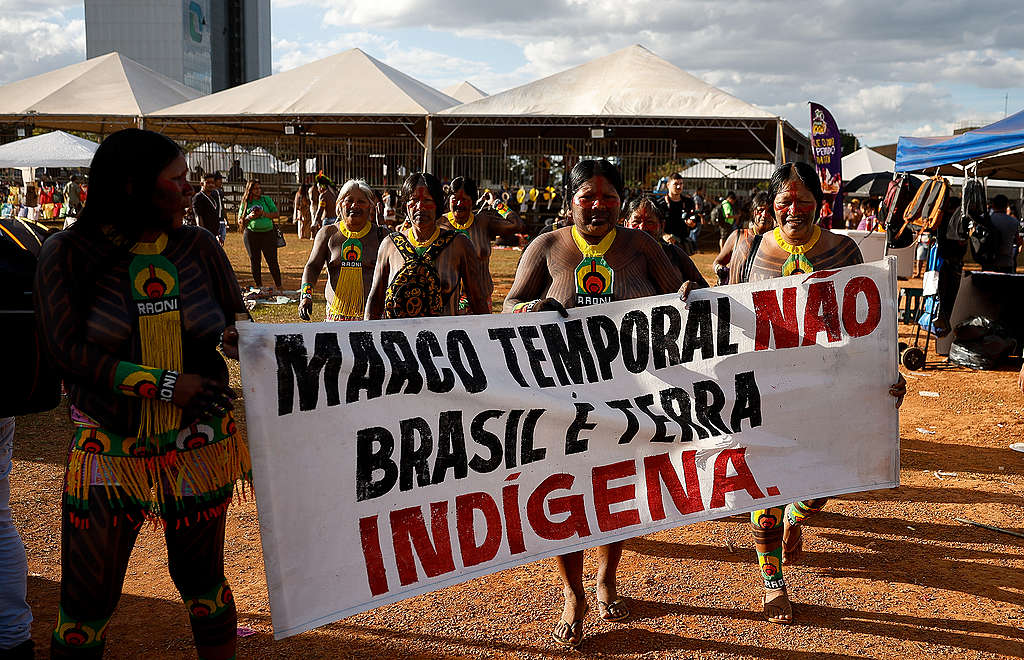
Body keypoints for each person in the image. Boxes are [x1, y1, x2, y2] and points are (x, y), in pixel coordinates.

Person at [34, 128, 250, 659]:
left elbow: (238, 318)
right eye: (177, 180)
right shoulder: (67, 254)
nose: (189, 188)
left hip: (197, 445)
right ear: (132, 187)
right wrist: (166, 384)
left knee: (203, 582)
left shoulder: (199, 247)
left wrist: (240, 336)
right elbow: (67, 353)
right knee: (87, 601)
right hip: (108, 449)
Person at [684, 161, 906, 626]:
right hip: (766, 387)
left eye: (804, 202)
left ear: (819, 205)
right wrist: (693, 299)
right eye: (784, 201)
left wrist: (888, 371)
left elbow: (872, 319)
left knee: (825, 481)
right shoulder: (752, 251)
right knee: (766, 483)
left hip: (829, 386)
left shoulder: (843, 250)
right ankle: (772, 582)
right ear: (771, 205)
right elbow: (732, 316)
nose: (794, 210)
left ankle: (796, 518)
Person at [504, 160, 685, 648]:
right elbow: (507, 307)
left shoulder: (642, 246)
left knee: (616, 493)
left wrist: (689, 295)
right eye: (587, 195)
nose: (598, 205)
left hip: (632, 399)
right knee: (567, 494)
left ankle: (606, 576)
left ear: (621, 202)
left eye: (608, 197)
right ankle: (572, 592)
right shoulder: (546, 247)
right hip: (563, 402)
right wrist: (530, 309)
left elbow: (687, 297)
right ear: (570, 200)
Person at [366, 172, 488, 319]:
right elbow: (375, 301)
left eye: (427, 200)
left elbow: (477, 301)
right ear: (405, 206)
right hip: (398, 339)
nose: (420, 207)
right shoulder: (389, 245)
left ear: (438, 205)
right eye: (414, 200)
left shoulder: (459, 245)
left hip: (443, 338)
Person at [299, 179, 389, 322]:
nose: (355, 205)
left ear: (370, 207)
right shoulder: (327, 234)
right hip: (335, 319)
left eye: (361, 202)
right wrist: (306, 295)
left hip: (372, 319)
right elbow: (312, 266)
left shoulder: (382, 237)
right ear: (340, 204)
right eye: (349, 200)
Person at [439, 176, 524, 314]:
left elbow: (516, 224)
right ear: (448, 200)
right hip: (448, 305)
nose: (459, 204)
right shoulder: (439, 224)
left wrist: (496, 203)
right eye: (454, 199)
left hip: (481, 303)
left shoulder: (483, 222)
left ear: (473, 202)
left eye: (465, 200)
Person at [624, 193, 708, 287]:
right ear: (626, 225)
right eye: (636, 222)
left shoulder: (675, 254)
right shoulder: (615, 258)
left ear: (662, 226)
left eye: (650, 222)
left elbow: (705, 291)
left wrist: (694, 289)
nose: (642, 228)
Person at [712, 190, 774, 285]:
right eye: (760, 210)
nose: (764, 215)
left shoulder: (778, 240)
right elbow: (717, 262)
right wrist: (721, 270)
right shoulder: (738, 236)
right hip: (736, 295)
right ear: (753, 212)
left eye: (769, 211)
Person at [237, 178, 282, 291]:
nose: (258, 191)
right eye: (255, 189)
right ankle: (259, 285)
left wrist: (263, 213)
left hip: (268, 234)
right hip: (251, 235)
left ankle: (279, 286)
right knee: (255, 260)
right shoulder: (246, 202)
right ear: (250, 190)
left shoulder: (266, 200)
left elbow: (276, 214)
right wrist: (249, 217)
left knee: (272, 261)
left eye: (259, 188)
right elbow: (240, 221)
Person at [658, 172, 698, 248]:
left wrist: (692, 224)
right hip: (664, 244)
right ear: (668, 185)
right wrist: (663, 235)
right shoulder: (660, 204)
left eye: (681, 184)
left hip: (682, 244)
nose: (679, 186)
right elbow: (655, 224)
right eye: (675, 184)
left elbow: (694, 221)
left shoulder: (689, 202)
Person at [984, 194, 1019, 272]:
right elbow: (1017, 241)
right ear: (1007, 206)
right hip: (1007, 262)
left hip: (989, 262)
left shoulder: (986, 220)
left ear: (993, 205)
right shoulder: (1014, 222)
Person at [192, 173, 222, 238]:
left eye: (212, 182)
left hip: (213, 235)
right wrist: (203, 236)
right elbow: (198, 217)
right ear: (201, 184)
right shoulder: (198, 197)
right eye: (208, 182)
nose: (211, 185)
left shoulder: (213, 196)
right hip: (205, 235)